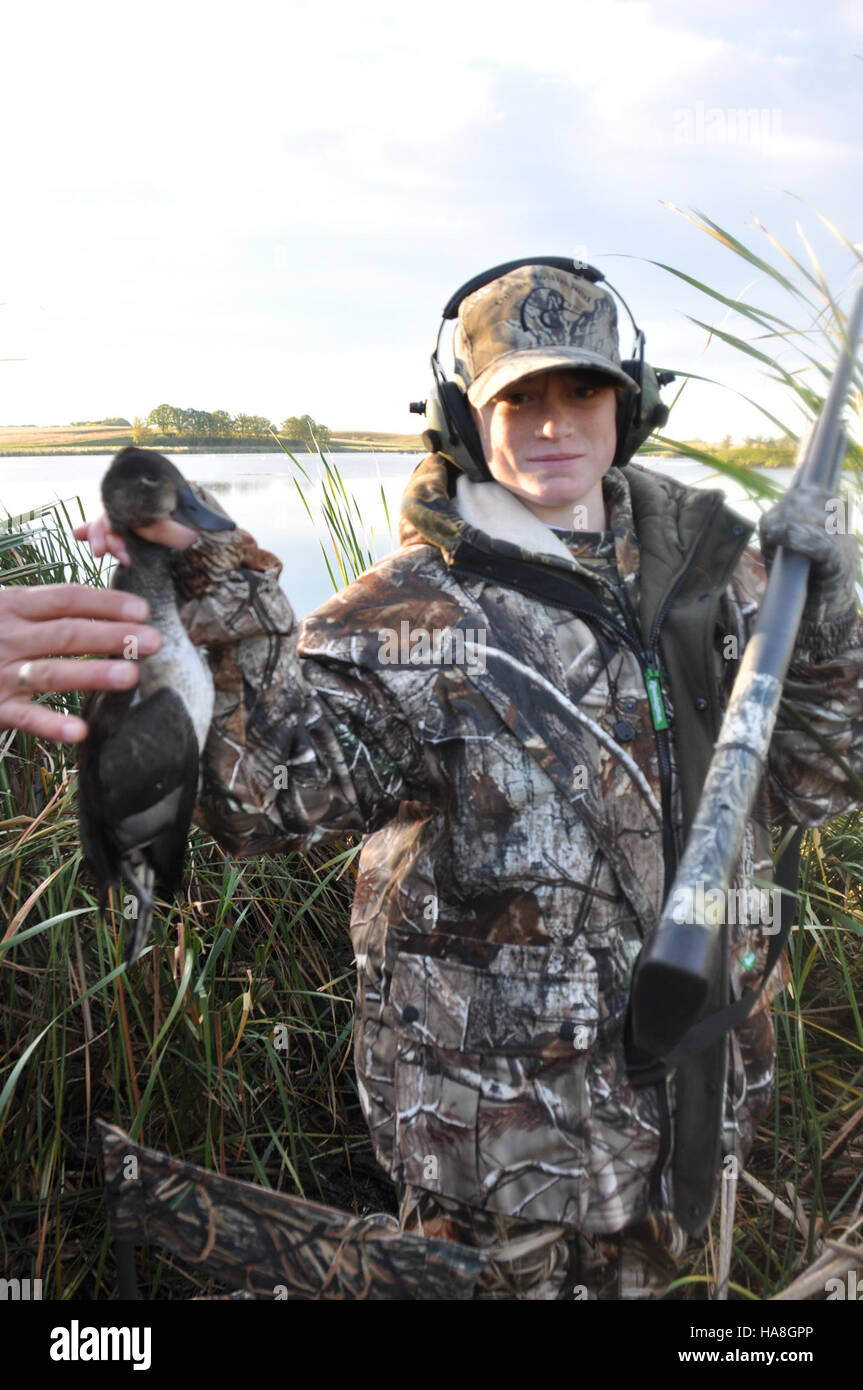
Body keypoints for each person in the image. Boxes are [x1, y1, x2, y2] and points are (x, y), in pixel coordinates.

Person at [60, 262, 863, 1296]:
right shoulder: (410, 612)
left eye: (579, 392)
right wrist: (214, 581)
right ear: (460, 411)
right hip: (501, 1160)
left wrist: (831, 611)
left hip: (693, 1116)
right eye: (514, 396)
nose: (550, 424)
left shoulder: (718, 575)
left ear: (629, 400)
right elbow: (263, 800)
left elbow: (815, 781)